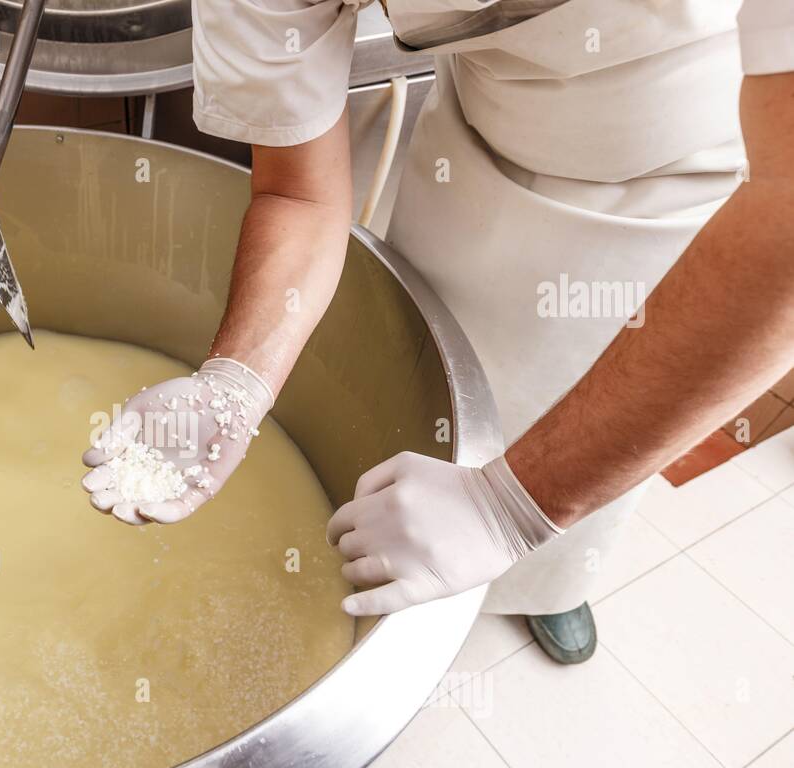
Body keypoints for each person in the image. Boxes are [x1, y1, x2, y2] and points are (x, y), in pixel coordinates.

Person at [82, 0, 794, 664]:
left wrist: (514, 508)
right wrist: (236, 381)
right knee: (429, 411)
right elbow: (298, 193)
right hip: (483, 126)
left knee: (567, 487)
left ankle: (545, 585)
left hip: (687, 169)